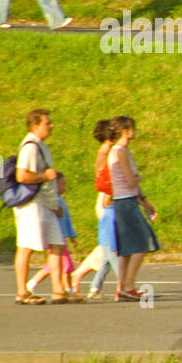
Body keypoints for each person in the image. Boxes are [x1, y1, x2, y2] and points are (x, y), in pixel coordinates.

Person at [12, 109, 77, 304]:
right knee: (26, 247)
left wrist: (54, 203)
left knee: (57, 245)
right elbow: (22, 176)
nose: (52, 125)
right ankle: (22, 292)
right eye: (47, 123)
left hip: (47, 204)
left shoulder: (42, 146)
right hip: (33, 205)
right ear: (35, 126)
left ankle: (58, 290)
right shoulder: (30, 147)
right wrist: (45, 176)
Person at [106, 115, 160, 300]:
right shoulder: (120, 151)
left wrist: (145, 203)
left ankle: (122, 288)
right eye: (131, 128)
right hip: (126, 202)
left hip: (124, 201)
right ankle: (128, 286)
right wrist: (139, 178)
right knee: (143, 243)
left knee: (127, 249)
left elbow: (130, 185)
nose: (134, 130)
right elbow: (131, 181)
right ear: (124, 131)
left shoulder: (119, 151)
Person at [70, 120, 119, 298]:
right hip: (107, 198)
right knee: (109, 246)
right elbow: (106, 177)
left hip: (108, 197)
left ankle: (94, 284)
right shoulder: (107, 151)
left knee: (110, 245)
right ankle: (79, 275)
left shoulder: (105, 150)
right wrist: (110, 194)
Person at [26, 173, 77, 295]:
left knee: (56, 265)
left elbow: (67, 220)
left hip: (62, 237)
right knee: (65, 265)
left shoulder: (61, 201)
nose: (64, 187)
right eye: (62, 184)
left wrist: (72, 236)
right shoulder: (52, 201)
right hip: (55, 238)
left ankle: (33, 282)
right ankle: (68, 289)